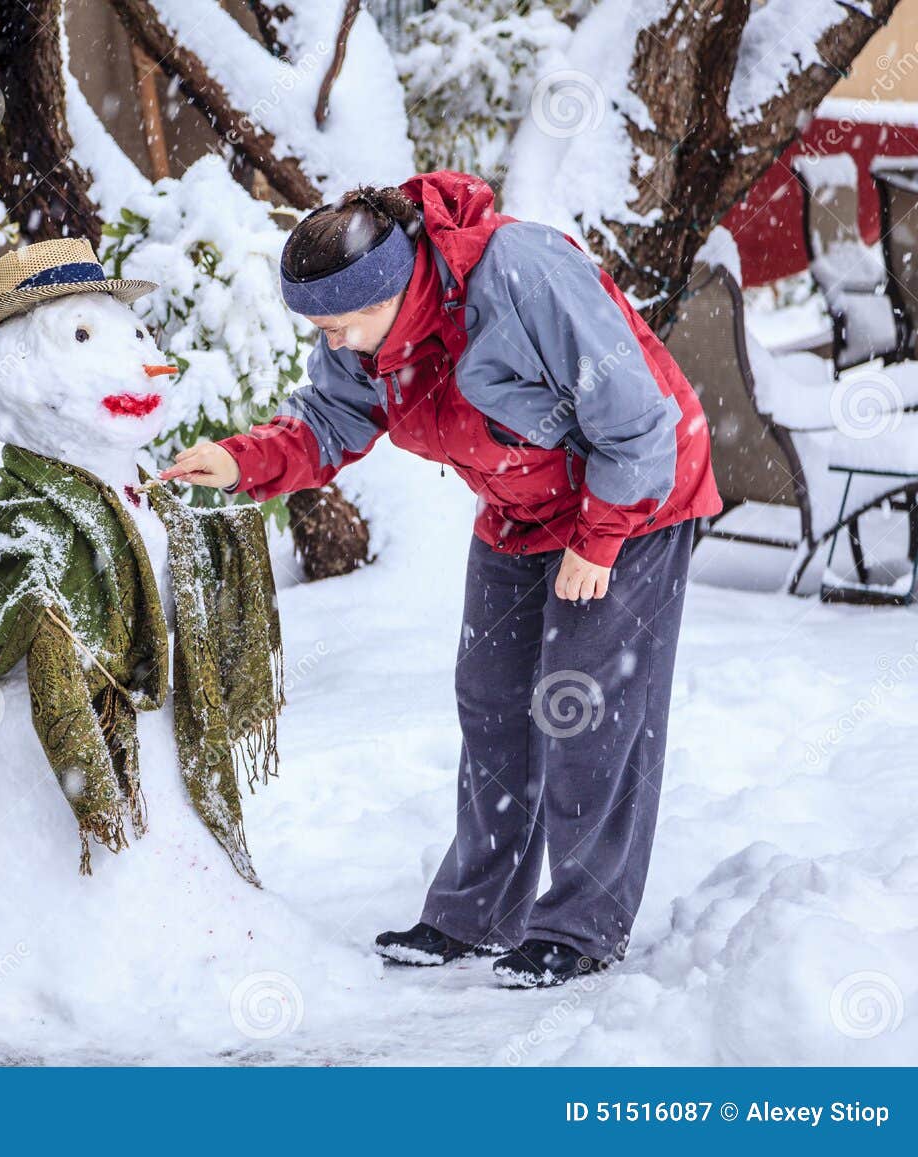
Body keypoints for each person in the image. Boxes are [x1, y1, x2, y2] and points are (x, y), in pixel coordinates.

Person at [159, 172, 721, 988]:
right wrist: (238, 459)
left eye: (344, 324)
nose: (336, 341)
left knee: (586, 708)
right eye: (322, 328)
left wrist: (598, 543)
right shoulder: (366, 331)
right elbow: (327, 419)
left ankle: (581, 924)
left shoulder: (522, 278)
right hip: (520, 507)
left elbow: (637, 418)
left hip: (632, 495)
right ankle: (476, 912)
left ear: (394, 282)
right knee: (492, 698)